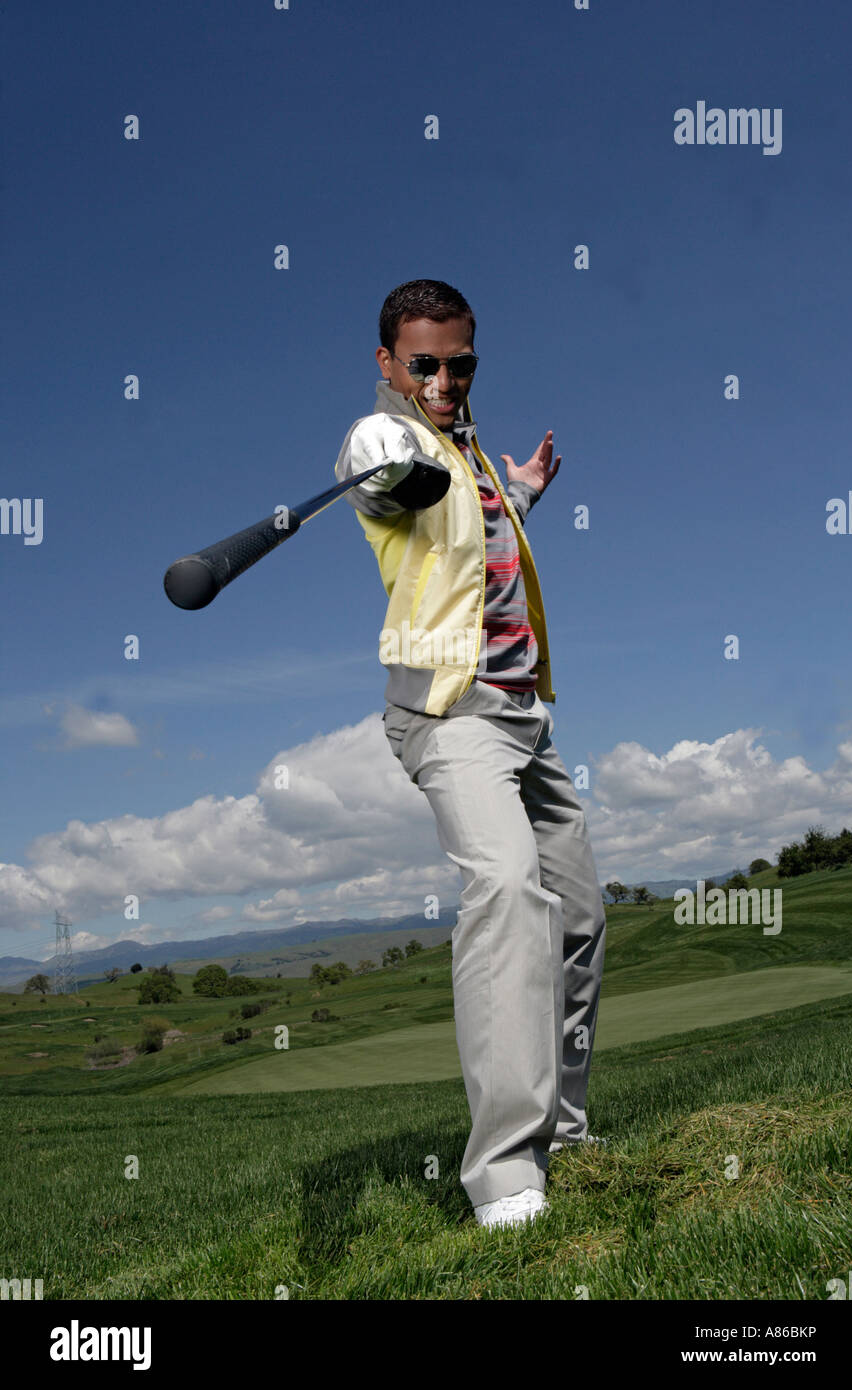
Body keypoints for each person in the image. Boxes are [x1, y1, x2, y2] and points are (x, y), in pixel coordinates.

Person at [334, 279, 606, 1229]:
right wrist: (393, 458)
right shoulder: (388, 440)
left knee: (577, 916)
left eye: (460, 364)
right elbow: (385, 469)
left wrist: (519, 487)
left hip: (527, 715)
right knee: (503, 887)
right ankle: (503, 1174)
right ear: (387, 364)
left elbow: (476, 521)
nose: (444, 380)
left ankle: (565, 1131)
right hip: (449, 717)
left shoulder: (473, 451)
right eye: (424, 365)